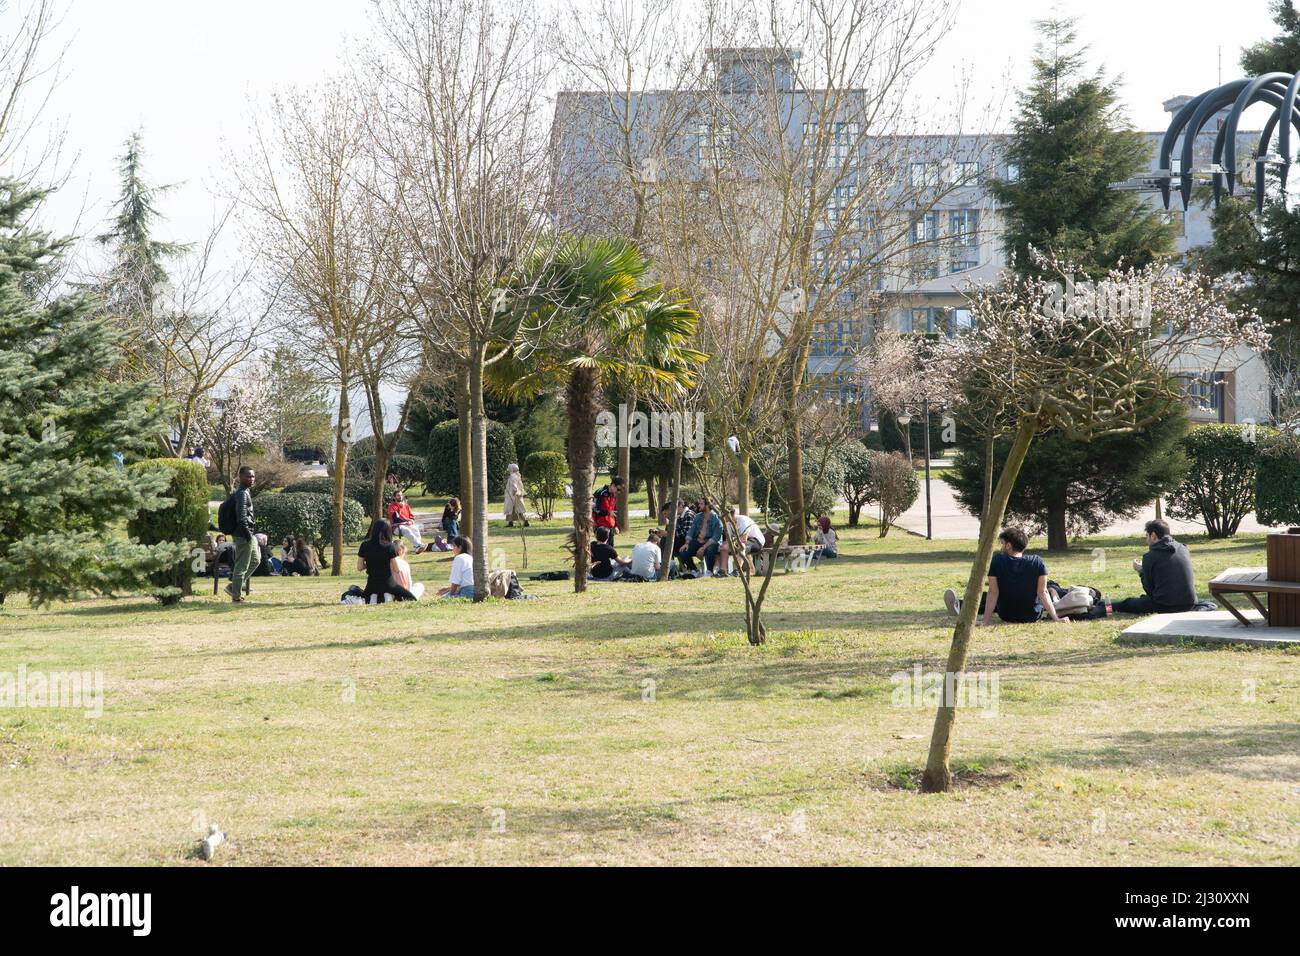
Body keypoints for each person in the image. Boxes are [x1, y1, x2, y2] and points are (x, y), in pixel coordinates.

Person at [943, 527, 1067, 625]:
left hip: (1006, 614)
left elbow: (993, 592)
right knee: (1049, 587)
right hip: (1032, 615)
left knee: (987, 596)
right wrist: (1055, 618)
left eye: (1002, 543)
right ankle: (960, 605)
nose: (1001, 546)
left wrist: (985, 621)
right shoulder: (1037, 561)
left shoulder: (997, 561)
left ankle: (960, 605)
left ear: (1008, 545)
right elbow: (1042, 592)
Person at [1115, 519, 1198, 614]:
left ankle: (1101, 605)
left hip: (1164, 606)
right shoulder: (1183, 549)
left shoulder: (1150, 556)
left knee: (1127, 603)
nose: (1146, 540)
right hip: (1189, 604)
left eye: (1147, 536)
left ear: (1153, 536)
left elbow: (1149, 591)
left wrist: (1141, 571)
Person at [356, 518, 419, 603]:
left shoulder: (364, 545)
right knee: (412, 598)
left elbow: (359, 567)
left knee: (363, 593)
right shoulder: (390, 547)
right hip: (388, 584)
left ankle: (373, 597)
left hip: (371, 584)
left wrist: (372, 564)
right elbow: (397, 569)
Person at [227, 466, 259, 603]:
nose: (251, 479)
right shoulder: (241, 493)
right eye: (248, 476)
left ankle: (234, 586)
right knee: (242, 565)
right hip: (243, 535)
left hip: (248, 534)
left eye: (252, 476)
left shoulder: (245, 491)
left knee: (256, 560)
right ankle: (236, 597)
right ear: (240, 477)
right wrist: (247, 534)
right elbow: (241, 517)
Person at [716, 506, 765, 576]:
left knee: (741, 545)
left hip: (756, 541)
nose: (722, 517)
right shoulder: (729, 524)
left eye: (724, 515)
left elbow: (744, 539)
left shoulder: (742, 520)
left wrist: (730, 543)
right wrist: (723, 545)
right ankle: (722, 571)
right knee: (724, 548)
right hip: (740, 542)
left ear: (730, 515)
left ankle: (737, 571)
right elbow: (728, 539)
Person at [679, 499, 723, 576]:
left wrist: (703, 548)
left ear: (708, 505)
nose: (699, 505)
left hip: (710, 542)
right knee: (683, 551)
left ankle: (709, 571)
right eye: (699, 503)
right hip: (698, 541)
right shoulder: (697, 516)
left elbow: (716, 537)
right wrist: (687, 543)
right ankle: (694, 570)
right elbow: (691, 531)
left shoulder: (717, 518)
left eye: (701, 504)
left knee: (710, 550)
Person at [592, 476, 623, 548]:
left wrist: (615, 526)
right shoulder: (600, 493)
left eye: (620, 490)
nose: (618, 492)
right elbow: (594, 508)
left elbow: (613, 512)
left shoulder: (613, 495)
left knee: (611, 548)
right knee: (603, 549)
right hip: (600, 526)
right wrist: (608, 513)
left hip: (610, 526)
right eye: (618, 489)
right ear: (613, 485)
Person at [503, 463, 530, 528]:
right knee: (513, 509)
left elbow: (514, 486)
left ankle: (525, 521)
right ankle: (511, 522)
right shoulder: (517, 476)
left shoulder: (513, 476)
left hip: (514, 495)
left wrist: (515, 492)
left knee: (517, 509)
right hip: (516, 494)